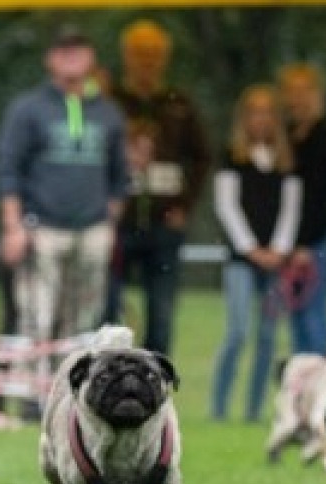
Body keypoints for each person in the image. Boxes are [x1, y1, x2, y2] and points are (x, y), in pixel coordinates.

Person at [0, 27, 127, 375]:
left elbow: (119, 177)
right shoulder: (29, 109)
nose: (72, 57)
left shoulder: (108, 113)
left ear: (91, 57)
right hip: (42, 228)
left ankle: (70, 391)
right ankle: (34, 395)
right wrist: (13, 226)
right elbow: (8, 168)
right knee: (37, 318)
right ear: (50, 59)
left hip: (92, 229)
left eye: (79, 49)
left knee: (82, 325)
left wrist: (109, 226)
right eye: (64, 50)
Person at [105, 19, 211, 355]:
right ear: (126, 56)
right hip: (118, 224)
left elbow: (202, 157)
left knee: (161, 317)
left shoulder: (179, 103)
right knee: (106, 314)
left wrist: (185, 206)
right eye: (140, 54)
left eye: (153, 54)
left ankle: (156, 383)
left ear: (165, 58)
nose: (147, 61)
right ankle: (105, 379)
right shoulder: (109, 101)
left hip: (165, 226)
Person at [211, 85, 301, 422]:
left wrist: (279, 249)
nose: (260, 120)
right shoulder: (232, 157)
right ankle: (219, 408)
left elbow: (291, 208)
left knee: (267, 336)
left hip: (275, 260)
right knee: (237, 332)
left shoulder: (285, 160)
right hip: (241, 260)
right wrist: (250, 248)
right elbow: (227, 206)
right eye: (254, 113)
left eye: (267, 113)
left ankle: (254, 410)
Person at [280, 63, 326, 357]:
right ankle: (303, 373)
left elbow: (319, 193)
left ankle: (324, 374)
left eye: (304, 91)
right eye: (292, 92)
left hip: (315, 236)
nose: (297, 98)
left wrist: (303, 242)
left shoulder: (323, 136)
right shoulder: (286, 135)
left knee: (315, 314)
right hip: (290, 238)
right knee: (297, 316)